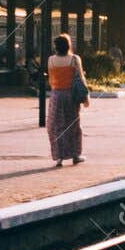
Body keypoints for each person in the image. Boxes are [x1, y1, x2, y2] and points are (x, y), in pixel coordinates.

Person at [46, 32, 88, 167]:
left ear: (56, 47)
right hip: (71, 96)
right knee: (73, 125)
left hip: (56, 96)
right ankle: (76, 155)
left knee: (55, 126)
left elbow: (51, 80)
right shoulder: (74, 59)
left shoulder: (51, 60)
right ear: (69, 45)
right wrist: (86, 97)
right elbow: (81, 79)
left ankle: (58, 156)